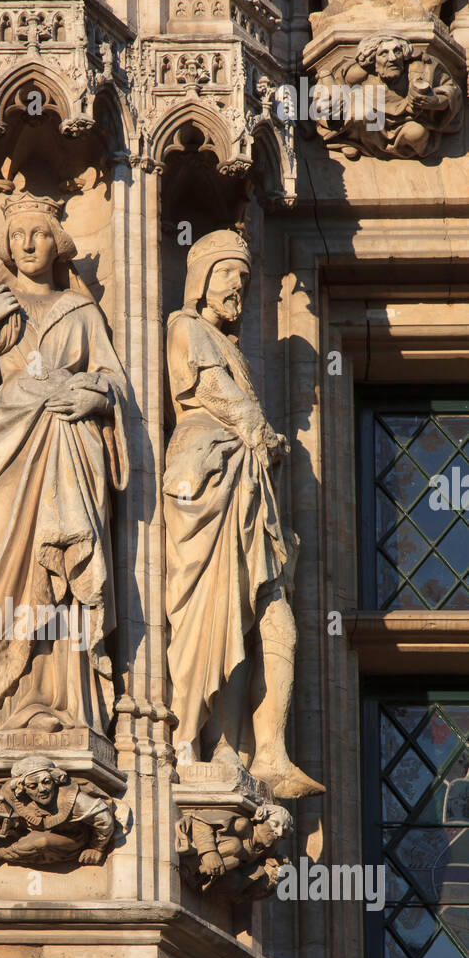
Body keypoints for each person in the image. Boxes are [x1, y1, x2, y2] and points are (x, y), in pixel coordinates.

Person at [0, 192, 128, 737]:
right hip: (4, 462)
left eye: (38, 233)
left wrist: (98, 399)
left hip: (69, 454)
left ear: (58, 244)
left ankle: (69, 703)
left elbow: (114, 381)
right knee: (4, 573)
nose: (26, 243)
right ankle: (4, 703)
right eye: (16, 234)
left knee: (65, 572)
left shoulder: (82, 312)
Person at [164, 229, 324, 799]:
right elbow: (213, 391)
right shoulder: (185, 328)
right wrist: (256, 425)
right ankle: (191, 735)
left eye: (245, 276)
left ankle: (253, 747)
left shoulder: (232, 347)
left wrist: (261, 437)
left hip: (247, 482)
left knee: (262, 609)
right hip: (205, 475)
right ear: (201, 277)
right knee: (213, 606)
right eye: (229, 273)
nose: (239, 285)